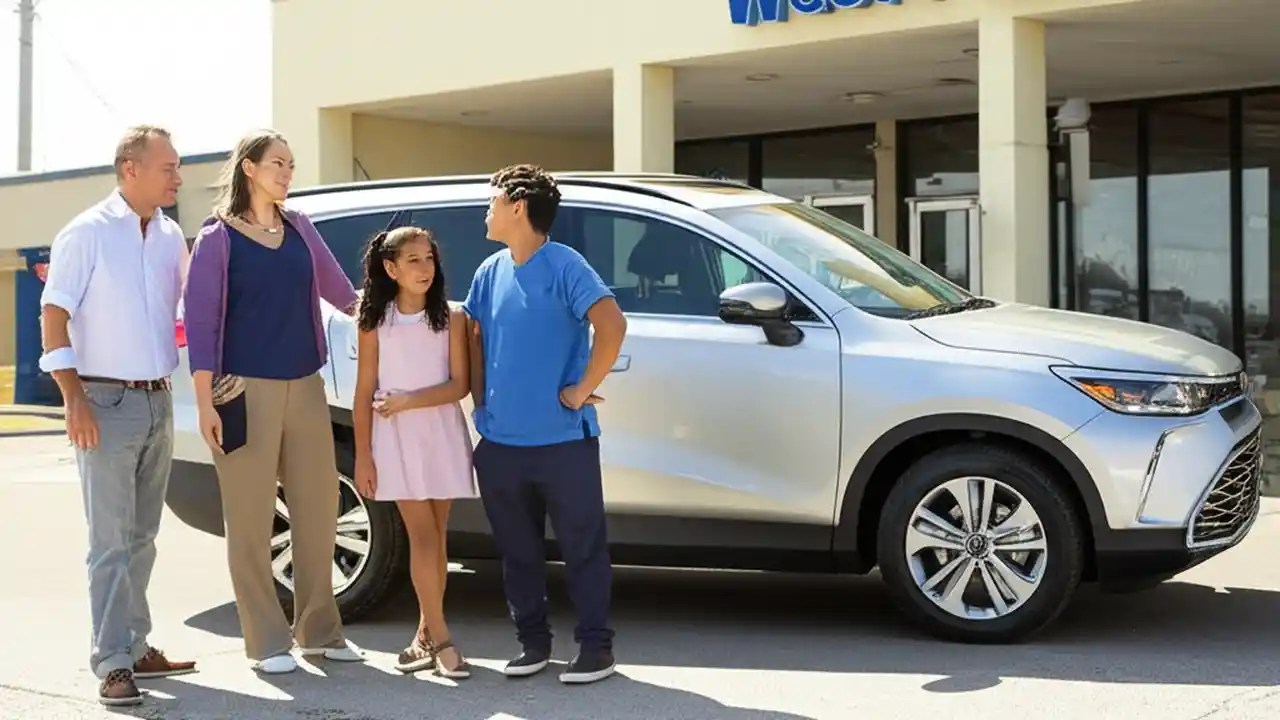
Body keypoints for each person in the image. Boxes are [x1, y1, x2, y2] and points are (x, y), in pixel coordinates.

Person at [181, 129, 363, 674]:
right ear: (249, 169)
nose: (286, 173)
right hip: (240, 390)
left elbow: (345, 296)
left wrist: (404, 318)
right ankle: (265, 642)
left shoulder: (300, 227)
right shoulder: (217, 238)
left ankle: (320, 632)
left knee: (319, 509)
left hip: (305, 385)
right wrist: (205, 403)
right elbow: (201, 324)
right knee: (250, 520)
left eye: (290, 165)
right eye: (276, 163)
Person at [39, 125, 198, 707]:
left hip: (158, 398)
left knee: (142, 537)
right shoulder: (86, 232)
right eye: (167, 167)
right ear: (130, 169)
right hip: (102, 401)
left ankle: (135, 644)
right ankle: (111, 663)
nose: (178, 177)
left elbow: (194, 306)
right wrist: (73, 398)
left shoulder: (170, 236)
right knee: (109, 542)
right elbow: (53, 315)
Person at [461, 164, 628, 684]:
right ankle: (532, 645)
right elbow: (474, 338)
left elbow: (612, 324)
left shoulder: (566, 265)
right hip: (500, 444)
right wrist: (481, 404)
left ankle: (596, 648)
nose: (485, 211)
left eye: (491, 201)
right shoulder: (489, 271)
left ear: (517, 206)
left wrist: (580, 389)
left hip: (563, 443)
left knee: (583, 549)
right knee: (518, 553)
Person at [351, 226, 477, 679]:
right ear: (391, 269)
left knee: (438, 537)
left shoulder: (451, 318)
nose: (425, 268)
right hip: (396, 440)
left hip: (441, 433)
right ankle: (442, 639)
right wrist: (363, 456)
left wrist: (408, 400)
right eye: (413, 260)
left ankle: (424, 634)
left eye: (429, 258)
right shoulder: (374, 322)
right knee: (422, 536)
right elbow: (363, 392)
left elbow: (458, 386)